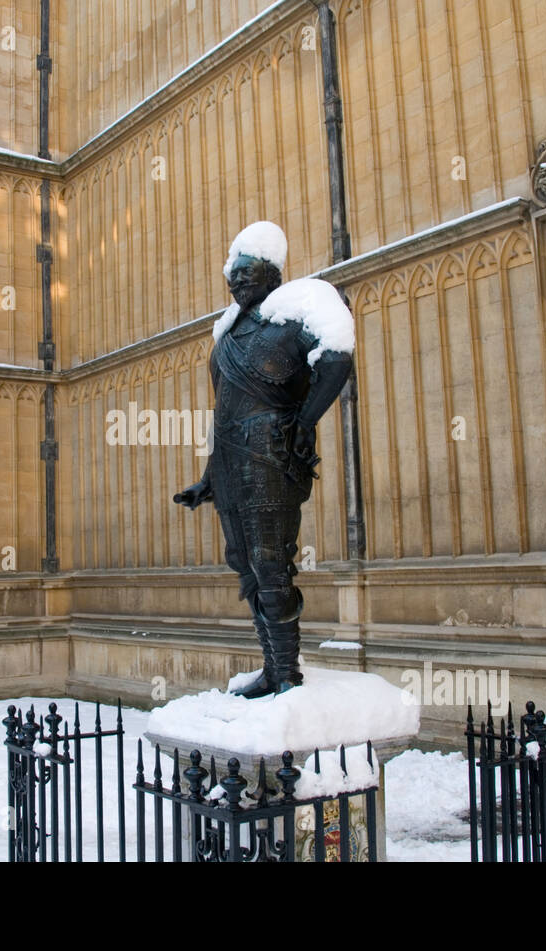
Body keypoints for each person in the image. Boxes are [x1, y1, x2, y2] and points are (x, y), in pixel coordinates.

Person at [174, 222, 353, 697]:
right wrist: (208, 477)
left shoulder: (296, 312)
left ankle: (288, 672)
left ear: (272, 274)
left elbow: (336, 357)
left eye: (247, 274)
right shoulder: (229, 334)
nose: (237, 283)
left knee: (271, 563)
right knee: (246, 566)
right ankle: (271, 667)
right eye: (233, 276)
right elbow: (225, 409)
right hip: (232, 460)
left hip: (270, 454)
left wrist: (304, 421)